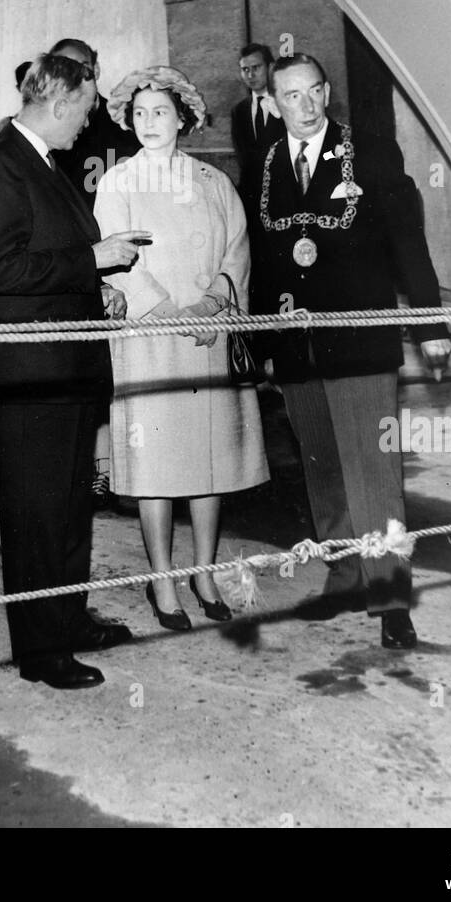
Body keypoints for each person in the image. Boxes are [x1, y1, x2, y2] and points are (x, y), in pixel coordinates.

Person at [246, 53, 451, 649]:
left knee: (374, 469)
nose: (305, 106)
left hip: (360, 340)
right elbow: (260, 258)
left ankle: (390, 596)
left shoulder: (374, 152)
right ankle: (344, 575)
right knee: (322, 466)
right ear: (274, 100)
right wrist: (261, 340)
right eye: (291, 96)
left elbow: (407, 240)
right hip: (295, 342)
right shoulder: (261, 161)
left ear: (327, 90)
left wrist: (430, 320)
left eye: (314, 92)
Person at [0, 52, 144, 689]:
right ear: (62, 102)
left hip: (64, 365)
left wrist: (98, 287)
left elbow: (48, 259)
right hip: (32, 373)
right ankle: (40, 653)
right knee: (38, 515)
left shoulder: (42, 163)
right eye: (87, 109)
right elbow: (4, 271)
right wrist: (92, 258)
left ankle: (67, 622)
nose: (88, 123)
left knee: (69, 508)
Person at [94, 66, 267, 628]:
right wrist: (166, 311)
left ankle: (204, 570)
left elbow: (237, 250)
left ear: (184, 117)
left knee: (208, 458)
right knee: (156, 461)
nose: (149, 122)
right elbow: (114, 256)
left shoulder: (214, 182)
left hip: (207, 336)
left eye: (160, 111)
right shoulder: (117, 183)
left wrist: (214, 302)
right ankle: (163, 579)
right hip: (150, 340)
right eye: (139, 113)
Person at [50, 38, 138, 506]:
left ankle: (118, 468)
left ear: (97, 68)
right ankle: (90, 469)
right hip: (73, 262)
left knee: (117, 369)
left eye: (83, 67)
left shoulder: (123, 124)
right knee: (78, 369)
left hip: (120, 260)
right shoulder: (54, 129)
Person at [49, 38, 136, 201]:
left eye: (81, 67)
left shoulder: (127, 123)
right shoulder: (47, 128)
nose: (72, 77)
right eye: (62, 69)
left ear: (96, 70)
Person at [231, 42, 285, 179]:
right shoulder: (238, 111)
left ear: (270, 67)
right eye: (245, 69)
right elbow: (243, 159)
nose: (250, 75)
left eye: (256, 67)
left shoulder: (285, 104)